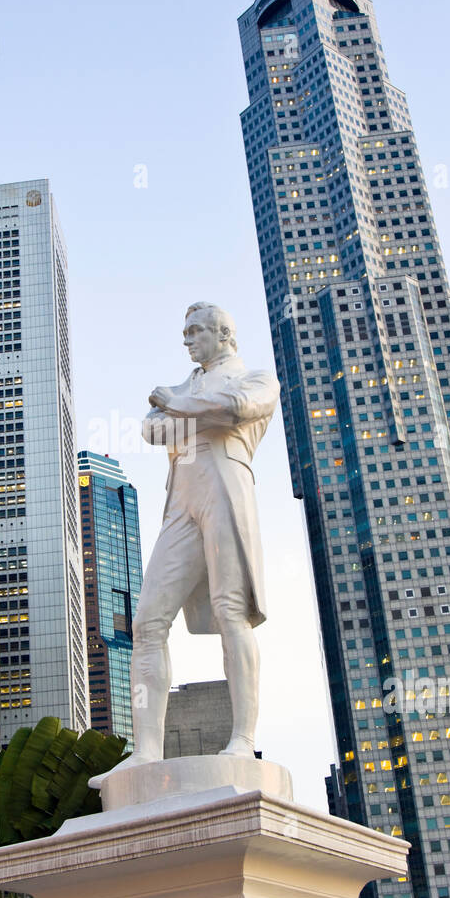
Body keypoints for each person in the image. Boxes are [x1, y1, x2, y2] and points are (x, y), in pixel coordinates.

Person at [93, 301, 279, 785]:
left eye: (196, 331)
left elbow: (236, 409)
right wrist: (193, 409)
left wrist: (175, 403)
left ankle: (242, 737)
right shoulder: (188, 387)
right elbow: (151, 430)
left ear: (224, 334)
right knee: (148, 620)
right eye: (185, 332)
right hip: (181, 504)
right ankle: (146, 751)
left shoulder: (256, 378)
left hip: (224, 491)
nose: (187, 340)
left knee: (231, 610)